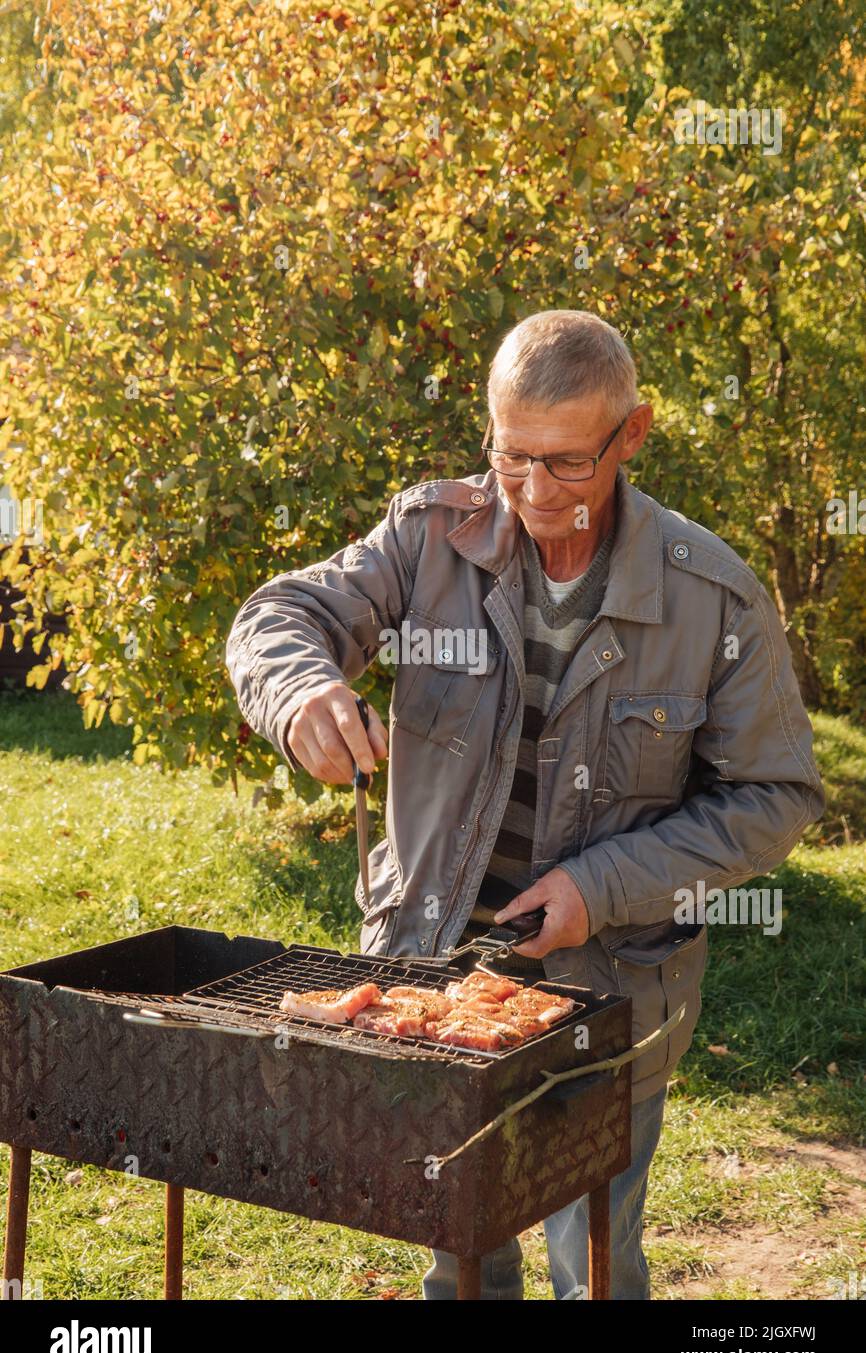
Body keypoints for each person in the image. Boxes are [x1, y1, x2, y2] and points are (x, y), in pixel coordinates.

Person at [226, 309, 825, 1299]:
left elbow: (775, 795)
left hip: (609, 994)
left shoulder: (712, 597)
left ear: (629, 435)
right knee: (457, 1242)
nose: (535, 494)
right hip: (432, 981)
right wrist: (300, 693)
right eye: (511, 460)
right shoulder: (427, 537)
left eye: (564, 464)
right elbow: (281, 616)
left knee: (587, 1260)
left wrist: (603, 883)